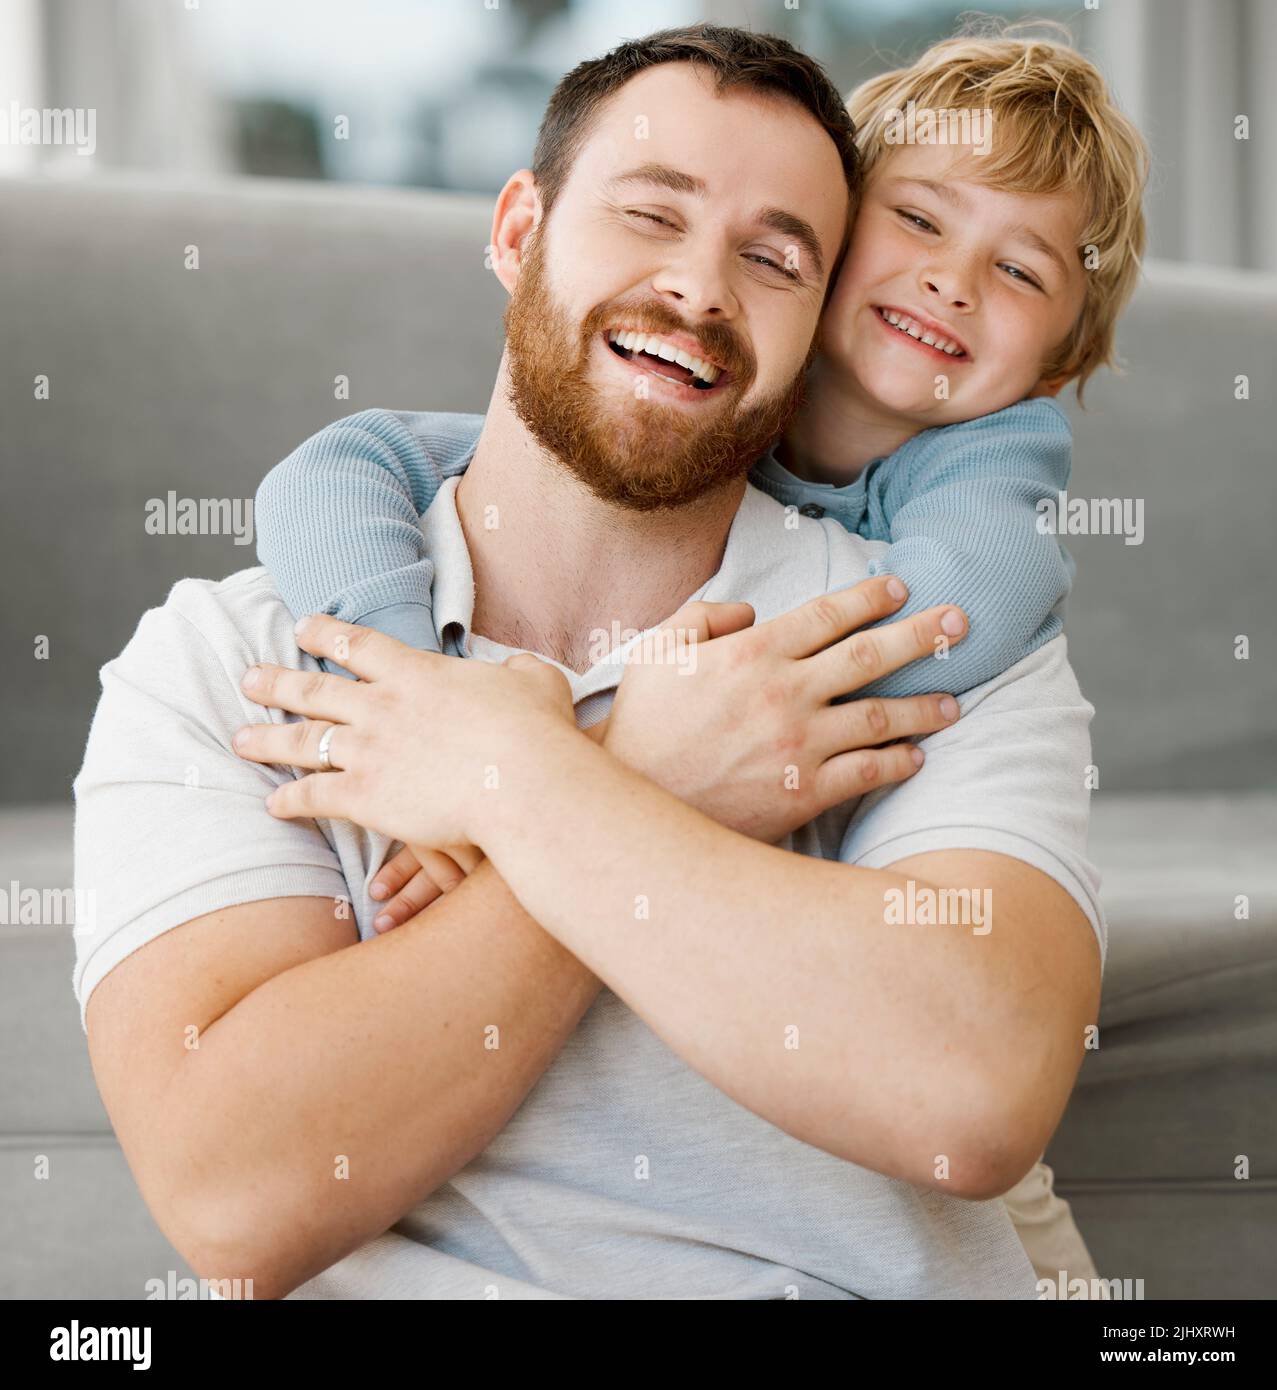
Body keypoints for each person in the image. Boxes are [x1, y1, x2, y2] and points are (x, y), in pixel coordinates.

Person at [73, 24, 1105, 1299]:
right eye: (648, 214)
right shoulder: (238, 655)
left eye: (774, 258)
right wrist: (642, 771)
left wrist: (523, 782)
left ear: (819, 319)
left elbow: (972, 1092)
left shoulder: (900, 632)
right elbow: (236, 1194)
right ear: (517, 232)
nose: (698, 288)